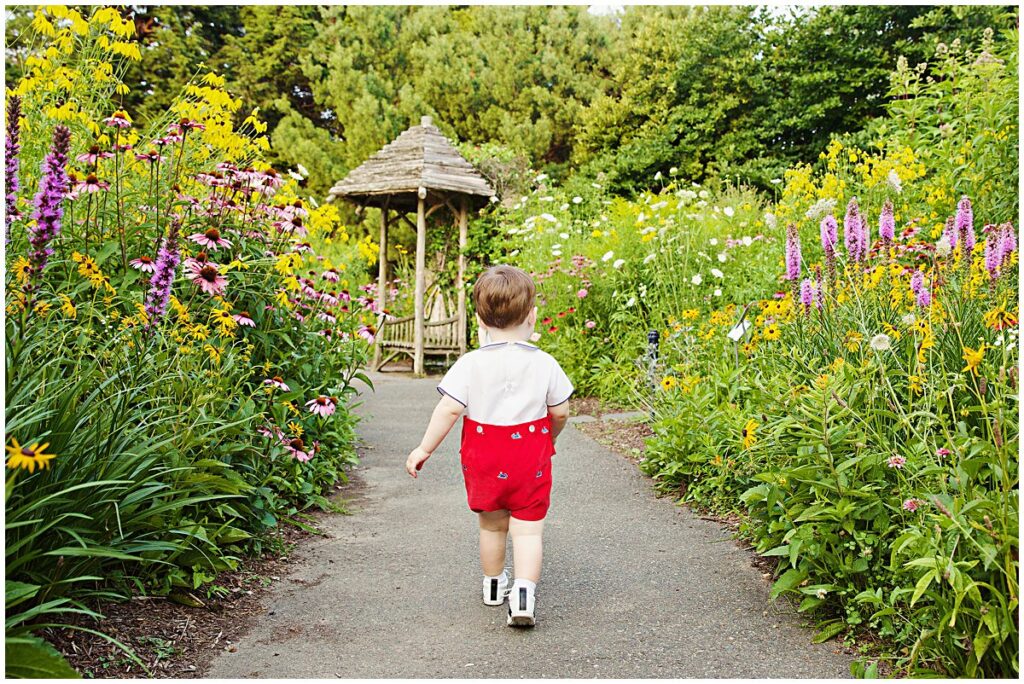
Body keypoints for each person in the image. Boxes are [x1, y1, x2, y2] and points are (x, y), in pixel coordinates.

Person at [405, 265, 573, 627]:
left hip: (484, 454)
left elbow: (449, 408)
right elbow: (560, 411)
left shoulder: (470, 363)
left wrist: (424, 449)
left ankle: (495, 586)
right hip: (530, 454)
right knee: (528, 530)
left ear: (479, 322)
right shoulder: (544, 363)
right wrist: (551, 436)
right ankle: (524, 594)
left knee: (492, 527)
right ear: (532, 316)